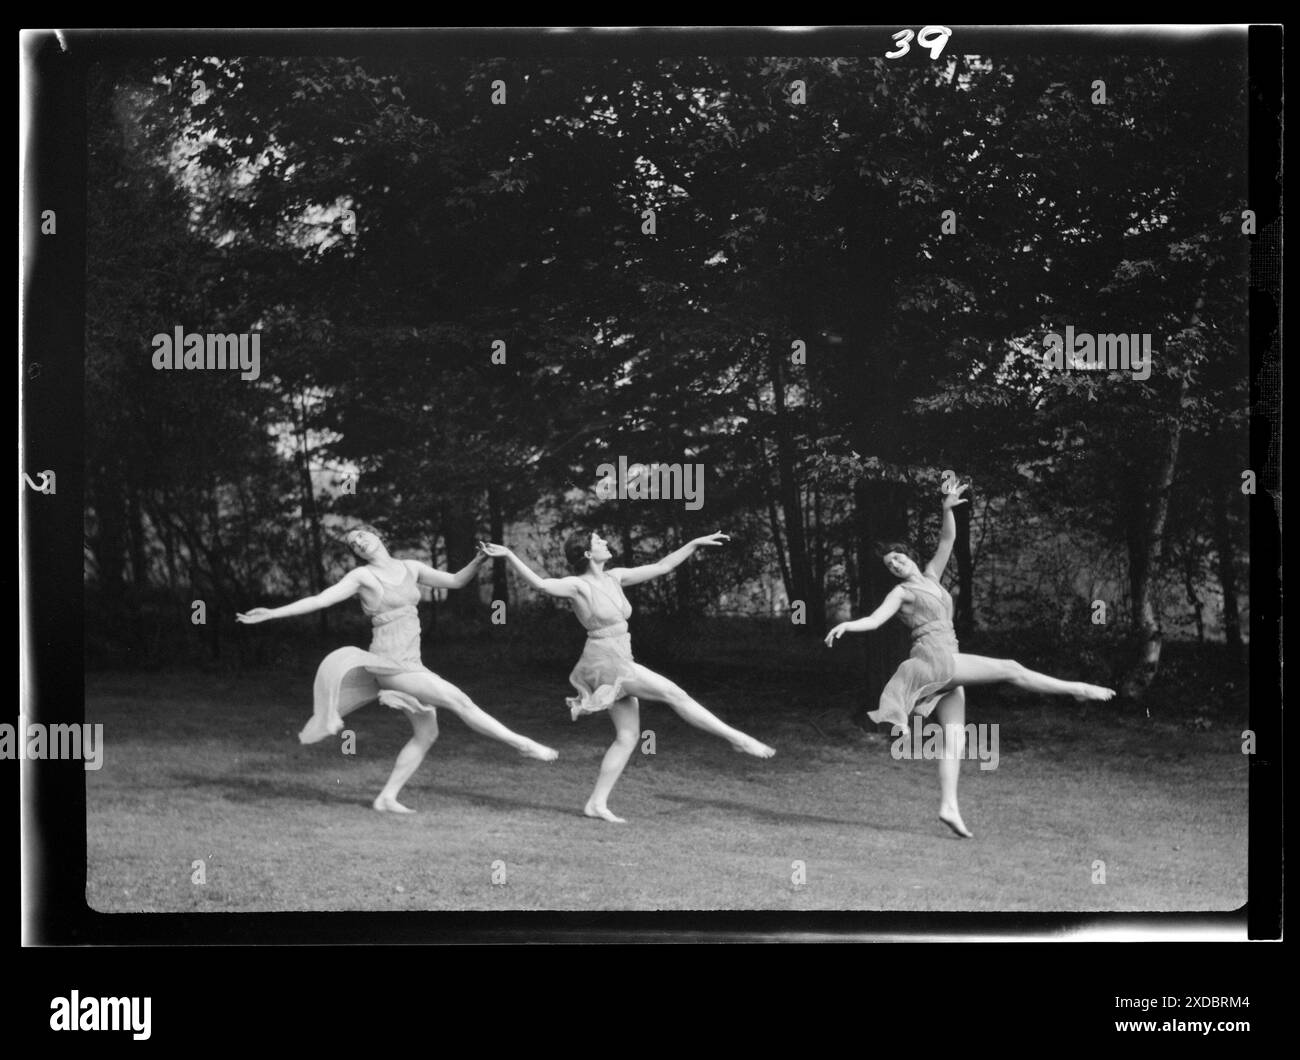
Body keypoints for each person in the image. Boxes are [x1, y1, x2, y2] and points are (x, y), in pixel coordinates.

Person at [825, 481, 1115, 838]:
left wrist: (947, 509)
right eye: (890, 564)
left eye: (899, 557)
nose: (897, 564)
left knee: (955, 737)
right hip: (934, 660)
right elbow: (875, 619)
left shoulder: (931, 576)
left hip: (949, 660)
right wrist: (848, 626)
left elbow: (946, 541)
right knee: (1010, 669)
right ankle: (1078, 689)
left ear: (910, 556)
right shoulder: (901, 592)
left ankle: (948, 805)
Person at [236, 524, 557, 814]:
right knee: (459, 700)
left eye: (362, 535)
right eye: (353, 543)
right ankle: (522, 745)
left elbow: (456, 581)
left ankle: (386, 797)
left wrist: (479, 559)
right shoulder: (362, 577)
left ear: (377, 535)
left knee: (427, 733)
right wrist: (273, 613)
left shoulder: (411, 567)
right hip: (388, 663)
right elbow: (322, 600)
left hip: (411, 661)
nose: (359, 542)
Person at [480, 530, 775, 823]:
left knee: (628, 736)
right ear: (587, 553)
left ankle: (596, 804)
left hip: (621, 656)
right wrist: (509, 555)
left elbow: (662, 567)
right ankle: (737, 738)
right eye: (598, 541)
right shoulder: (577, 585)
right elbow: (543, 584)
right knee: (674, 694)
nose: (606, 542)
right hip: (606, 660)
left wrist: (693, 543)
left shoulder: (616, 576)